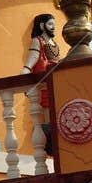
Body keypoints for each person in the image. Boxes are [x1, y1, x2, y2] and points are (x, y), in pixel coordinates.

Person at [23, 13, 62, 152]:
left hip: (56, 80)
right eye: (50, 24)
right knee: (48, 109)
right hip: (45, 82)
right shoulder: (37, 41)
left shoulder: (53, 43)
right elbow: (33, 58)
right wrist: (26, 71)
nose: (53, 27)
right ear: (41, 25)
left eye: (54, 24)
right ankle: (51, 140)